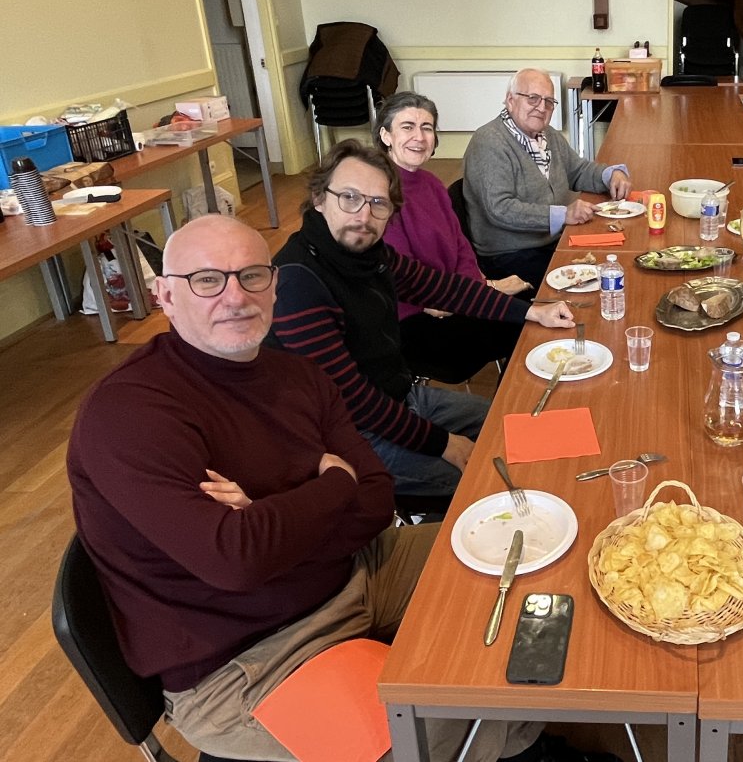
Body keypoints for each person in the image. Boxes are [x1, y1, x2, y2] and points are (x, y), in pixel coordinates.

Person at [66, 215, 574, 762]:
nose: (235, 297)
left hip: (356, 570)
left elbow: (376, 501)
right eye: (207, 280)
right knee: (450, 720)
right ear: (164, 294)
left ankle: (525, 729)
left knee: (538, 565)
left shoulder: (298, 376)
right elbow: (234, 560)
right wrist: (333, 482)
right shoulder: (130, 412)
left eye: (253, 275)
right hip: (254, 657)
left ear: (275, 284)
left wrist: (265, 515)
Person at [271, 140, 573, 497]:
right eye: (349, 197)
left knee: (519, 427)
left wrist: (531, 311)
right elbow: (353, 401)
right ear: (320, 198)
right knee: (494, 482)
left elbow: (445, 289)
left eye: (378, 204)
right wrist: (444, 444)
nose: (364, 216)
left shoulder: (368, 252)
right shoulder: (296, 281)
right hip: (348, 438)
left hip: (400, 400)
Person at [375, 91, 529, 383]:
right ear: (385, 135)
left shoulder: (430, 183)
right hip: (414, 316)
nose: (419, 137)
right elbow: (401, 274)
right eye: (407, 127)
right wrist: (469, 296)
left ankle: (516, 404)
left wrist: (472, 292)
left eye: (427, 127)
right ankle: (509, 414)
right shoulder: (381, 192)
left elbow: (461, 247)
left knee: (530, 315)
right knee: (525, 326)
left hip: (453, 299)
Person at [463, 68, 631, 289]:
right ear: (510, 100)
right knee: (595, 284)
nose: (541, 108)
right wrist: (563, 214)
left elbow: (578, 171)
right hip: (510, 255)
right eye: (532, 98)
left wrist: (611, 174)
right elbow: (500, 209)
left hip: (550, 242)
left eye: (549, 101)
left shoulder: (548, 135)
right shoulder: (489, 142)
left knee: (617, 263)